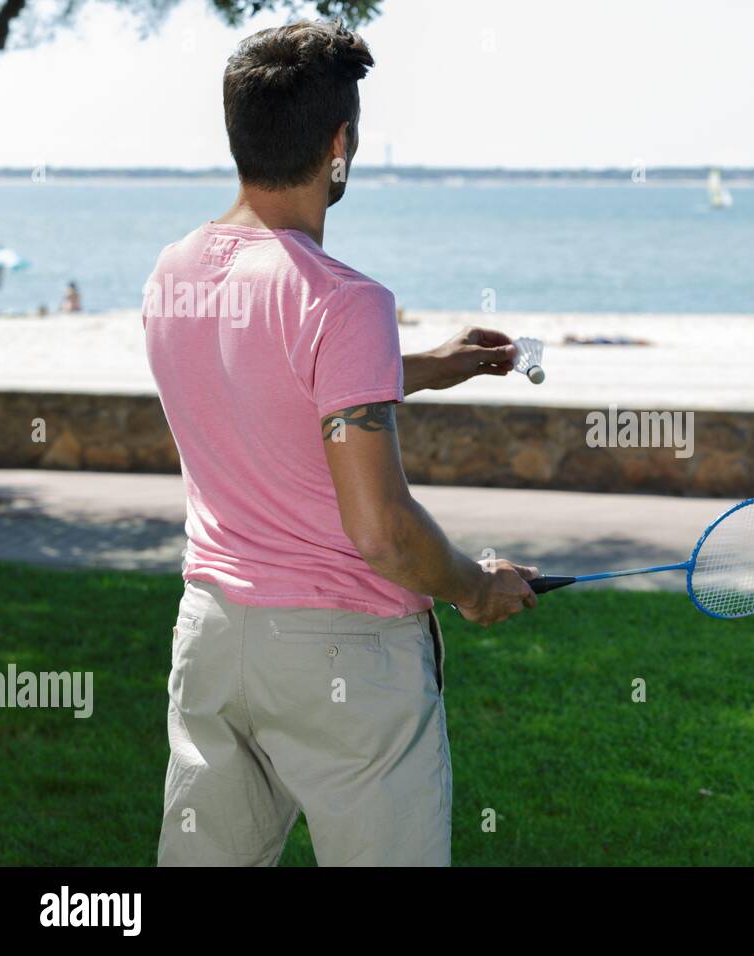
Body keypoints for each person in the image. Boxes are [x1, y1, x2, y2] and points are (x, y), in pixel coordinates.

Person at [147, 20, 537, 867]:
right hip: (345, 658)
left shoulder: (172, 272)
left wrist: (425, 366)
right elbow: (382, 532)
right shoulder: (344, 301)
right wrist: (475, 588)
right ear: (340, 143)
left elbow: (267, 381)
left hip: (213, 635)